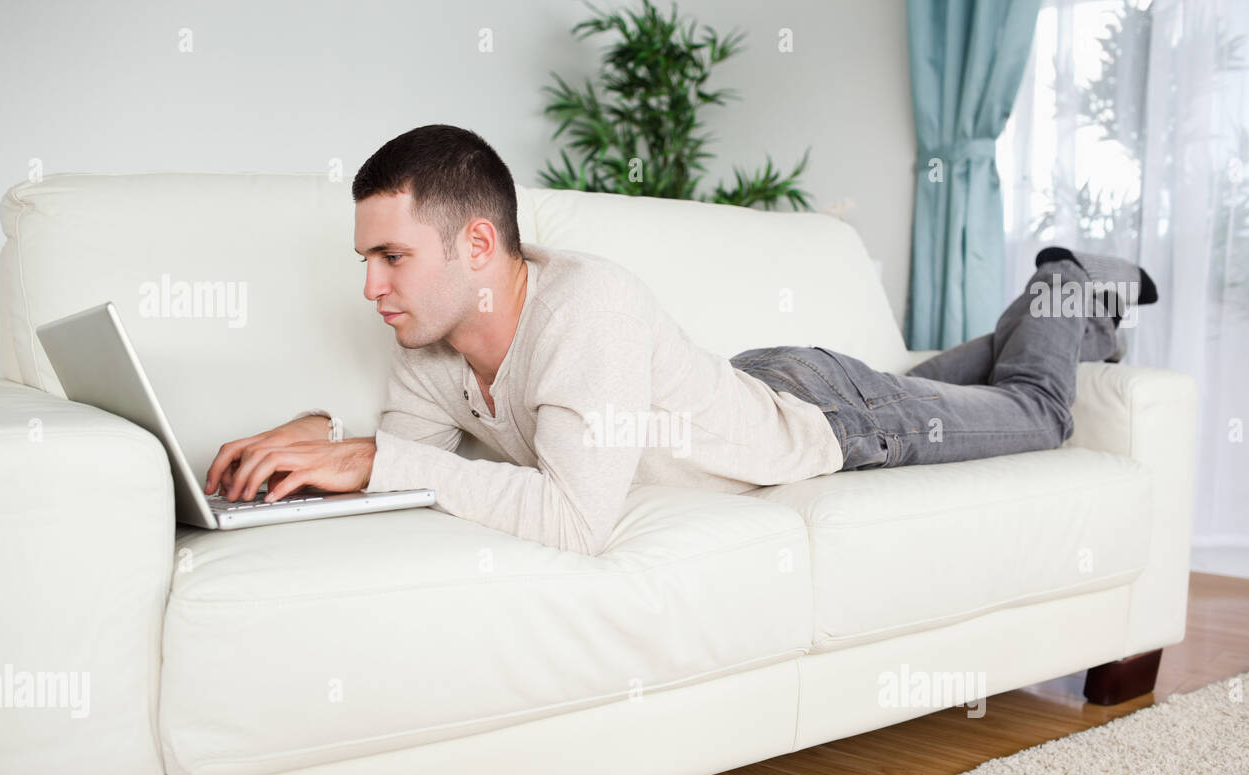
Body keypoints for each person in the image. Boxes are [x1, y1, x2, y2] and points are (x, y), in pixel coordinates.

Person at [204, 124, 1157, 556]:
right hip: (758, 384)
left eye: (390, 257)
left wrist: (371, 459)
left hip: (835, 421)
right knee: (961, 382)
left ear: (479, 244)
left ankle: (1066, 283)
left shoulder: (588, 309)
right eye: (364, 260)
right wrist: (319, 434)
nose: (371, 286)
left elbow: (578, 522)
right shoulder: (433, 348)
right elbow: (412, 465)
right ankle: (1044, 316)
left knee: (1034, 411)